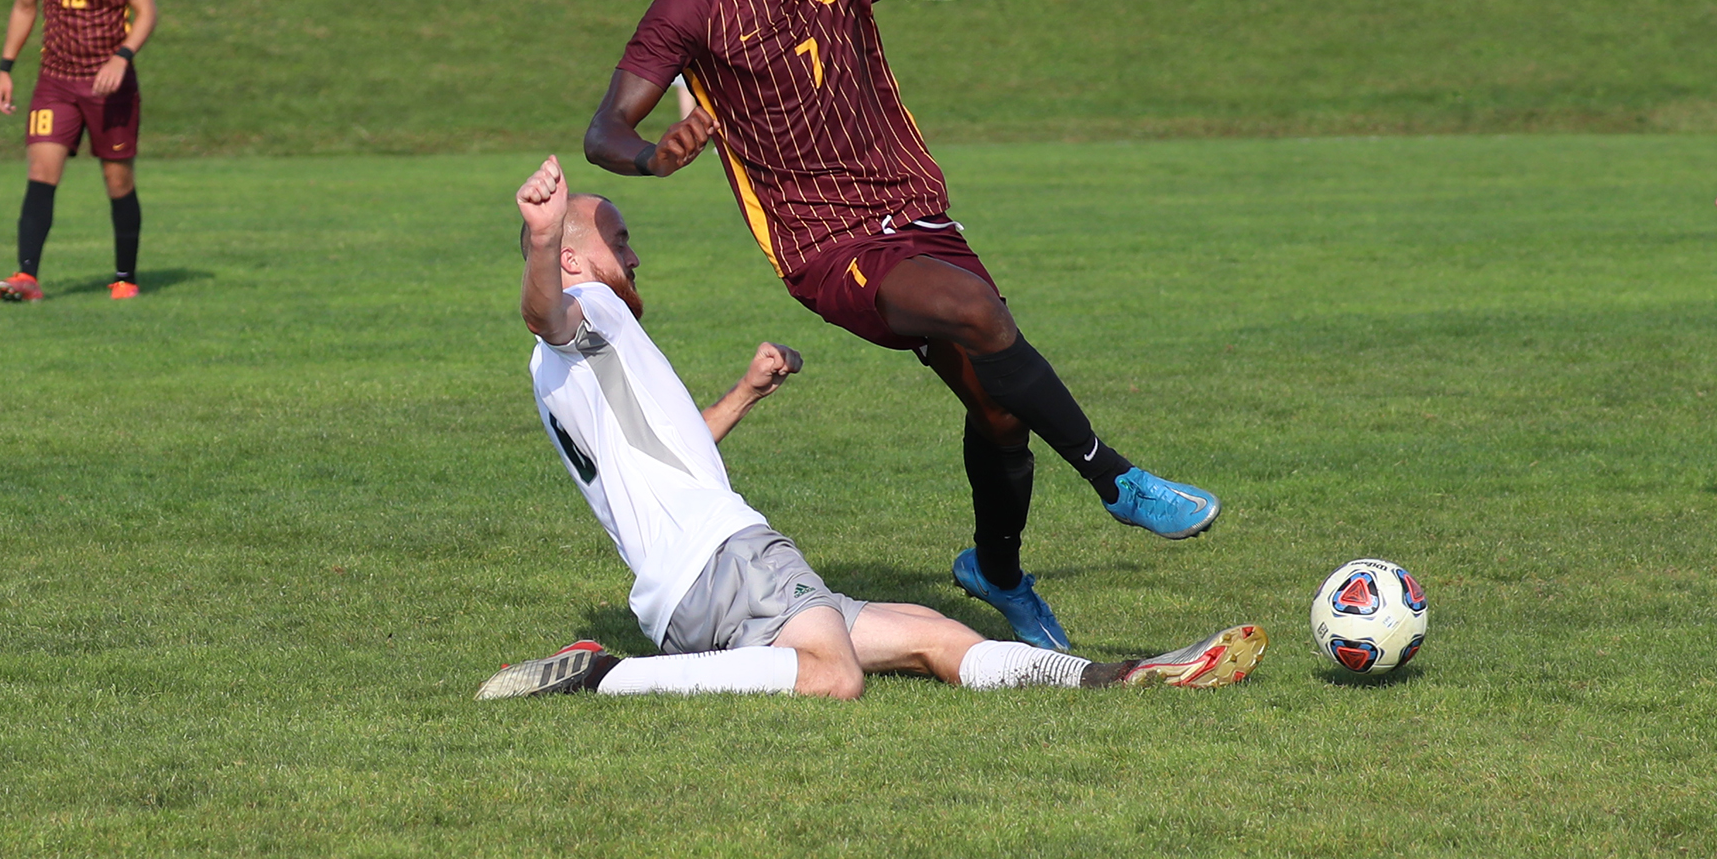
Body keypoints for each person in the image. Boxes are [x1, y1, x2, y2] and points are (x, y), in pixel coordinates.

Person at [582, 0, 1219, 653]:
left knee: (999, 413)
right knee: (978, 315)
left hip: (915, 212)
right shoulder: (694, 5)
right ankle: (1116, 477)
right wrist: (651, 157)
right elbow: (605, 129)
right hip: (824, 245)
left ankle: (997, 572)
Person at [477, 156, 1267, 700]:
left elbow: (663, 458)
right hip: (723, 558)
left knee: (933, 635)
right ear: (576, 262)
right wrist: (546, 239)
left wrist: (745, 395)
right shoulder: (591, 311)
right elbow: (548, 311)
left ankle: (1114, 677)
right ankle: (604, 676)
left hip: (692, 588)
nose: (633, 255)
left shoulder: (559, 376)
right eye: (617, 242)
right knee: (832, 675)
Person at [0, 0, 158, 303]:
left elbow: (146, 11)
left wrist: (122, 57)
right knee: (41, 172)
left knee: (118, 181)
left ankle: (125, 278)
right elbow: (25, 7)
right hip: (57, 81)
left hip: (110, 84)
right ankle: (27, 277)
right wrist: (5, 67)